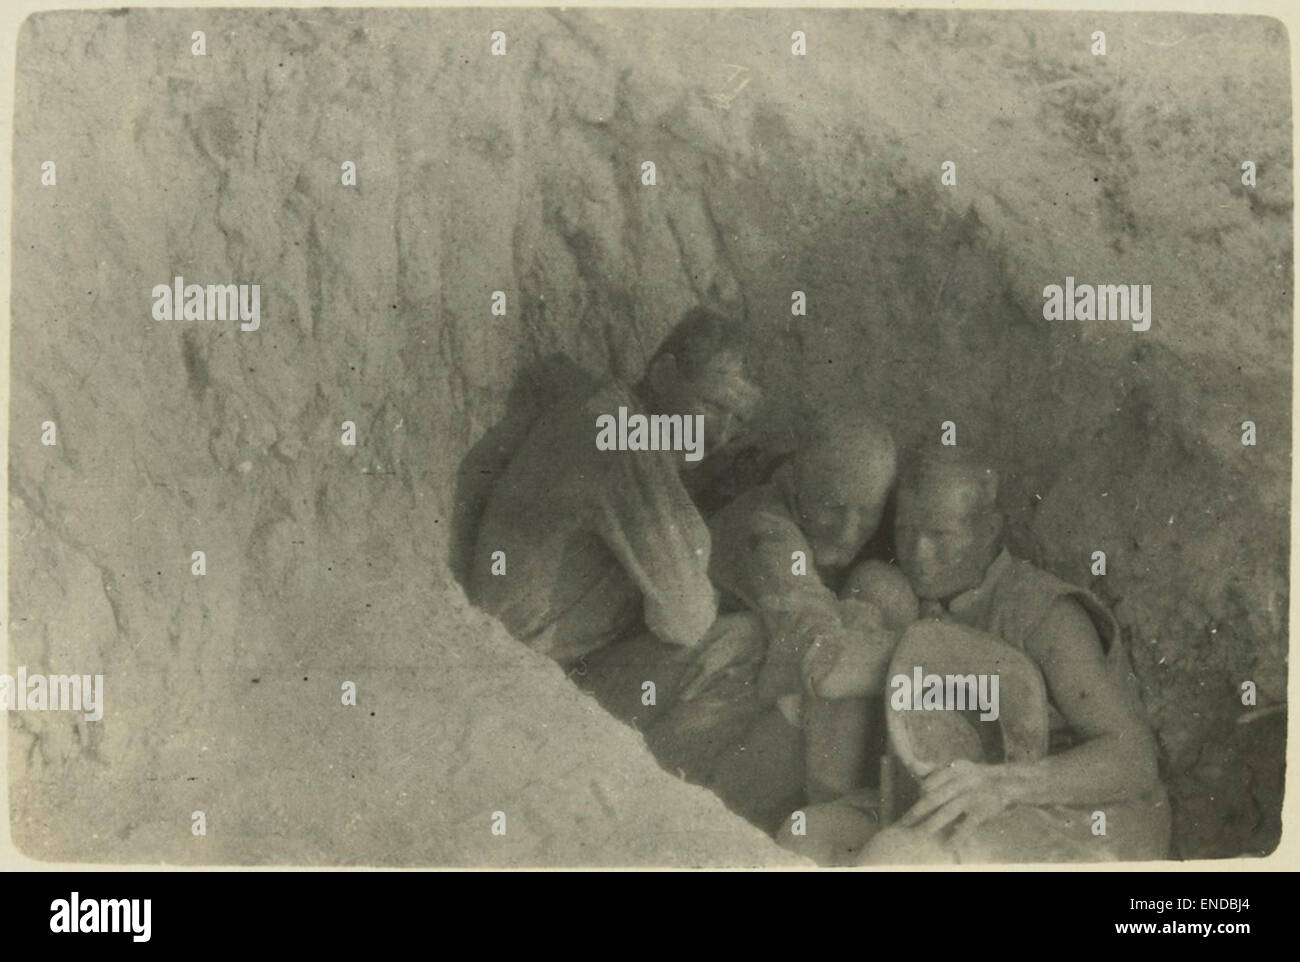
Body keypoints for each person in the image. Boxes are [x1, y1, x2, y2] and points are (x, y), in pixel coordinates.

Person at [783, 450, 1170, 864]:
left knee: (896, 857)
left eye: (940, 536)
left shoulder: (1043, 613)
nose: (918, 552)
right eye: (906, 530)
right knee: (805, 835)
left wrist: (1003, 785)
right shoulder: (921, 598)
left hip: (1075, 810)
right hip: (961, 791)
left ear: (989, 531)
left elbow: (1133, 758)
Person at [617, 410, 899, 829]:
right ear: (797, 483)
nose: (849, 530)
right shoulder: (769, 532)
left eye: (868, 512)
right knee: (793, 677)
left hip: (693, 693)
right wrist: (906, 642)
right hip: (651, 700)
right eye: (834, 508)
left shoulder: (828, 513)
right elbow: (819, 642)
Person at [467, 306, 761, 664]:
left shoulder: (607, 412)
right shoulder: (620, 437)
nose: (719, 434)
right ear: (664, 375)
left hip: (527, 646)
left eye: (738, 421)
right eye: (713, 406)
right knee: (744, 642)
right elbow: (687, 620)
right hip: (520, 658)